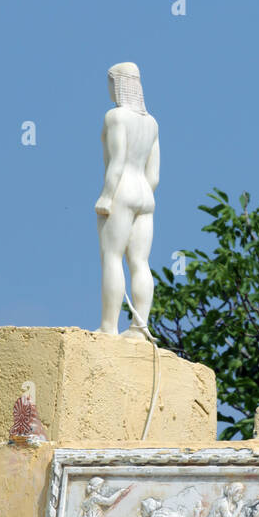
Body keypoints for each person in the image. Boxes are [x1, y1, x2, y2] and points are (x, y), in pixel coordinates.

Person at [95, 62, 160, 338]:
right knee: (140, 262)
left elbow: (117, 162)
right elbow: (154, 175)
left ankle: (108, 327)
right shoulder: (151, 122)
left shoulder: (116, 117)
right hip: (145, 194)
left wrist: (106, 197)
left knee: (111, 257)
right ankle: (139, 327)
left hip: (122, 190)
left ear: (118, 84)